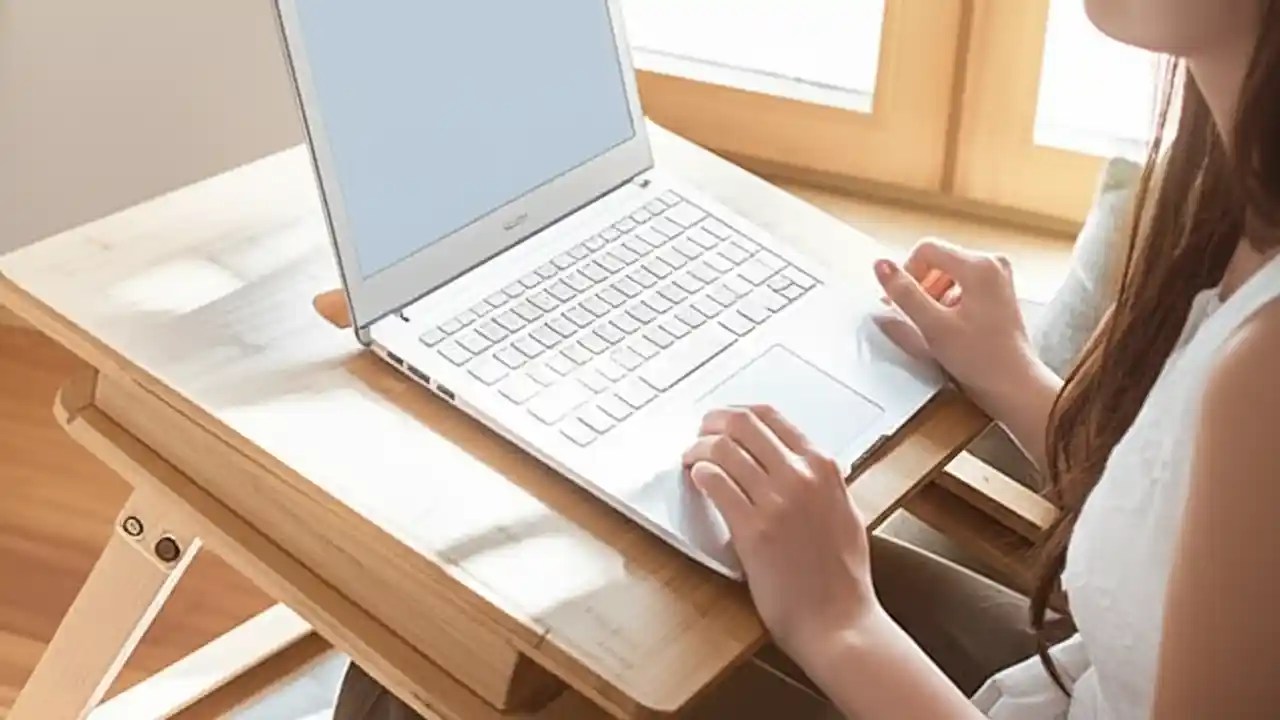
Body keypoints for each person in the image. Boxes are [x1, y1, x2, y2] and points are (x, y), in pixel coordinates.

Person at [335, 0, 1279, 716]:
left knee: (437, 641)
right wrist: (1015, 378)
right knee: (506, 595)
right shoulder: (1235, 204)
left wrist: (842, 625)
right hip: (1066, 676)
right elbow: (1183, 524)